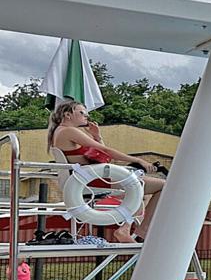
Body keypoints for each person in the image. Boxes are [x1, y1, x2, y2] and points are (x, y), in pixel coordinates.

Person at [47, 101, 165, 242]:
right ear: (68, 115)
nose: (87, 116)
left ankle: (127, 229)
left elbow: (100, 156)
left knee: (143, 195)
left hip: (89, 179)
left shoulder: (60, 132)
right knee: (163, 186)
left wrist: (97, 136)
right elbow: (106, 151)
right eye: (82, 113)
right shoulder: (68, 131)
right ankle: (136, 230)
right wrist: (139, 160)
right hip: (94, 180)